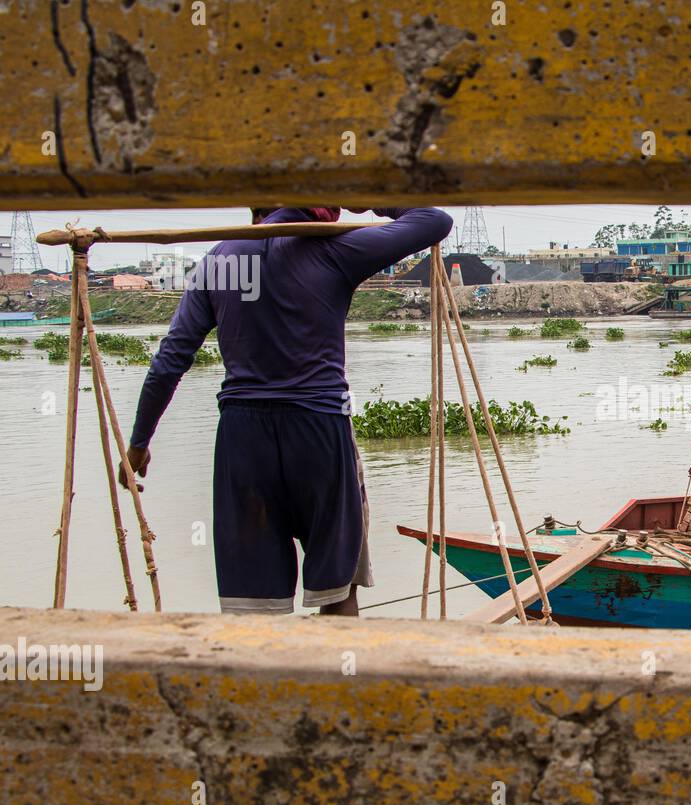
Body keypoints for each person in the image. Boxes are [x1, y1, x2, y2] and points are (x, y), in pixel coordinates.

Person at [119, 206, 454, 616]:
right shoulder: (334, 250)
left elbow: (170, 360)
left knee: (252, 608)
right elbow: (434, 221)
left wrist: (139, 442)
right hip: (318, 430)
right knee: (337, 593)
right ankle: (342, 672)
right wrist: (372, 197)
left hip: (243, 441)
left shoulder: (219, 262)